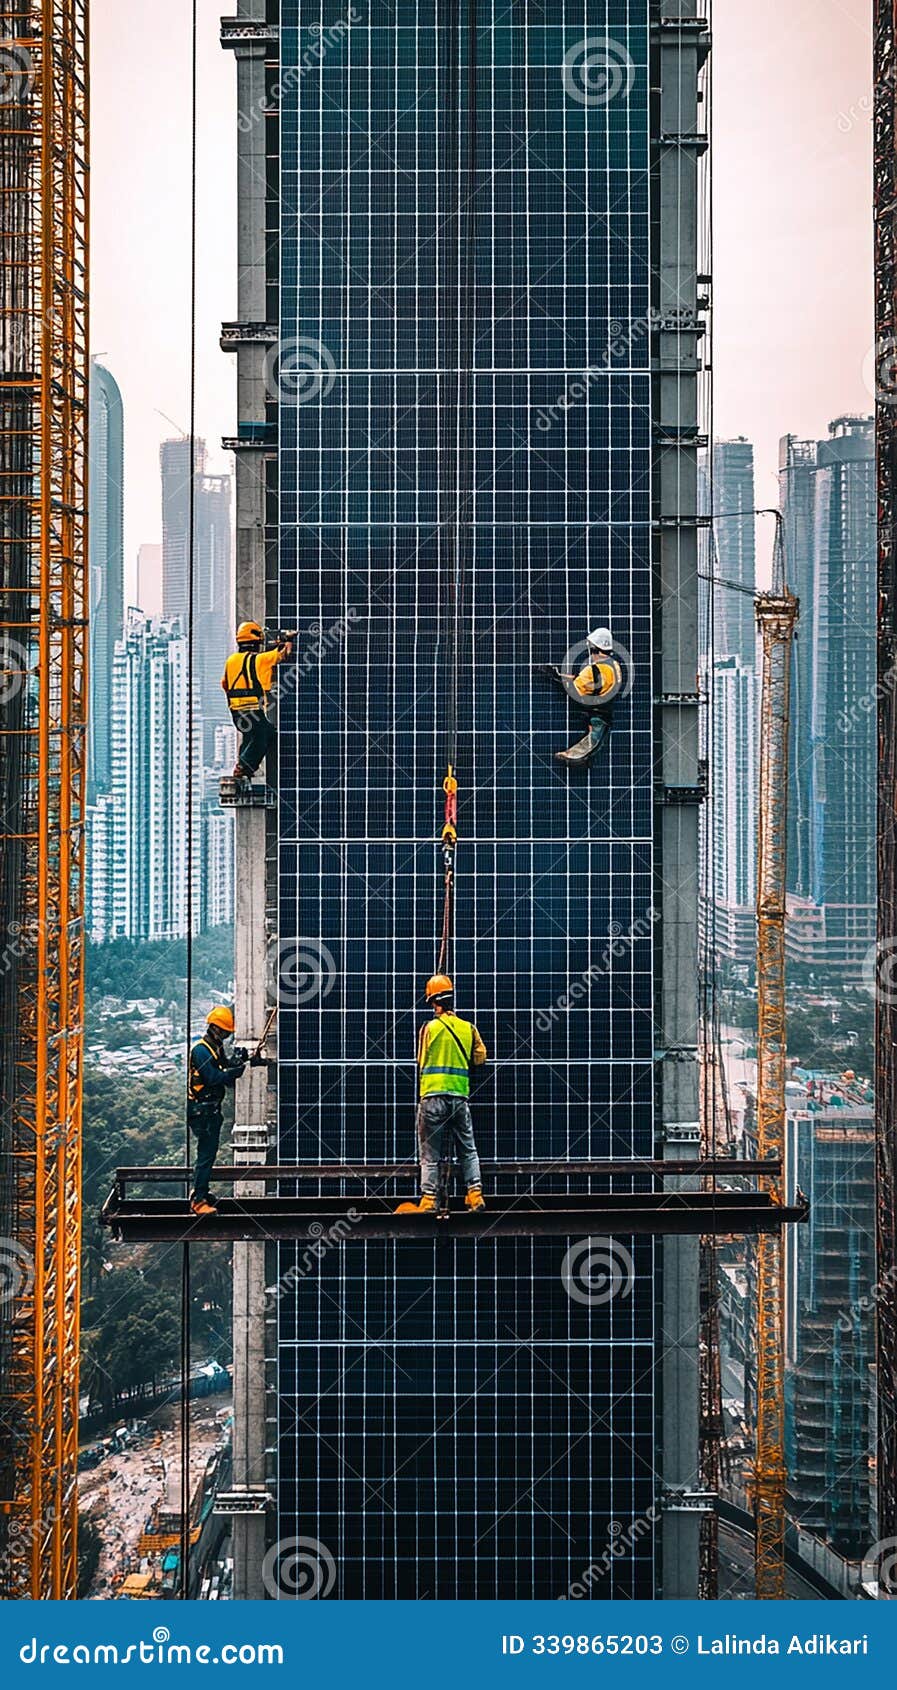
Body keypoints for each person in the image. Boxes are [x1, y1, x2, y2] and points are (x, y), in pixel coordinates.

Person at [396, 974, 488, 1213]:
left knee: (430, 1153)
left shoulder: (428, 1028)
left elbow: (421, 1059)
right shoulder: (468, 1028)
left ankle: (428, 1200)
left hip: (432, 1098)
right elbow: (480, 1058)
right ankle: (475, 1195)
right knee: (468, 1149)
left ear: (433, 1002)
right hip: (458, 1098)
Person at [187, 1006, 246, 1216]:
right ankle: (199, 1201)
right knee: (206, 1155)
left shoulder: (215, 1047)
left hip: (209, 1110)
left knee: (207, 1155)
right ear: (215, 1029)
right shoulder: (201, 1050)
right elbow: (213, 1077)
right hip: (202, 1112)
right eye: (225, 1032)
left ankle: (200, 1191)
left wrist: (240, 1061)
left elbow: (224, 1065)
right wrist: (234, 1072)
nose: (227, 1036)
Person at [540, 626, 624, 767]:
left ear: (593, 649)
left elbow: (575, 690)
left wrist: (558, 679)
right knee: (595, 737)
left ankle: (583, 758)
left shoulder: (592, 670)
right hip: (606, 706)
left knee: (591, 741)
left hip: (597, 711)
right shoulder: (615, 666)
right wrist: (560, 676)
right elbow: (584, 680)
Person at [222, 620, 294, 780]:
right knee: (265, 733)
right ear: (255, 643)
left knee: (250, 736)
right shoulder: (258, 660)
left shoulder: (231, 661)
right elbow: (283, 654)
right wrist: (289, 639)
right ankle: (243, 768)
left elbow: (224, 684)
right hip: (252, 709)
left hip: (236, 712)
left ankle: (243, 767)